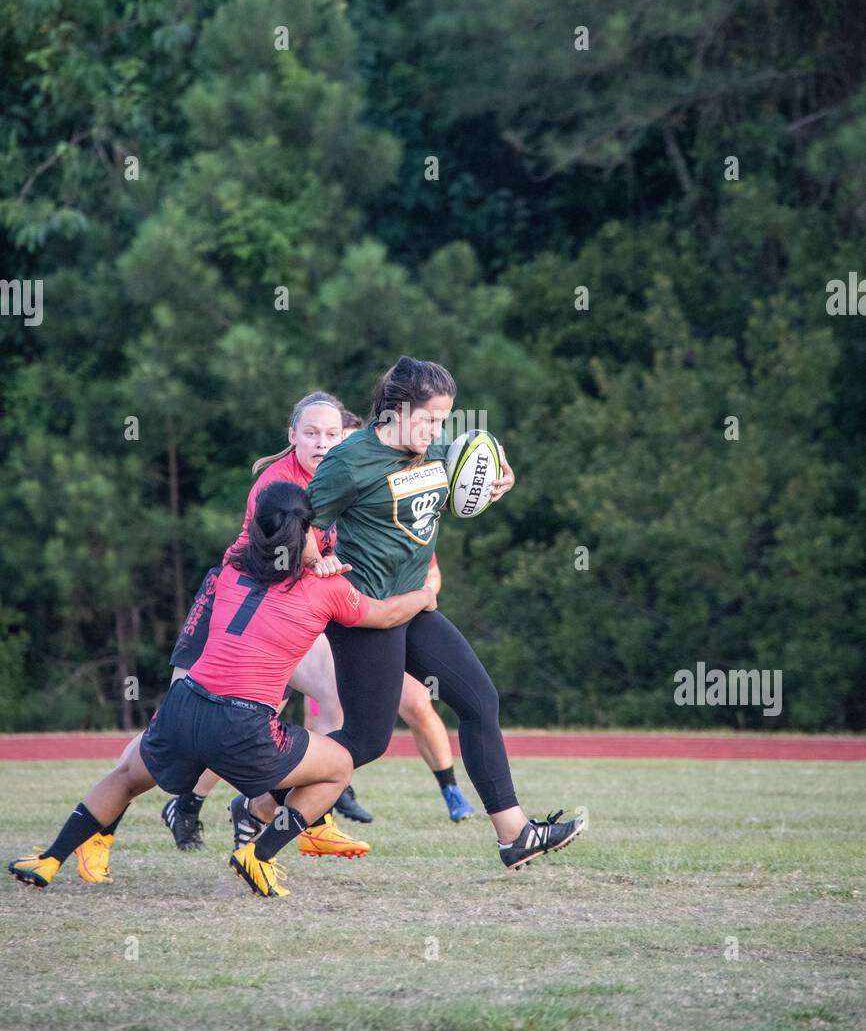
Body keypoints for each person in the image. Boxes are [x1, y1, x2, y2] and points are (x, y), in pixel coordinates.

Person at [232, 356, 585, 872]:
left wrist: (494, 485)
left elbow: (457, 484)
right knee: (365, 743)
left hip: (411, 605)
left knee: (479, 700)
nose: (438, 431)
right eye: (428, 420)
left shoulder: (434, 450)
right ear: (395, 410)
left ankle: (515, 836)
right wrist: (316, 556)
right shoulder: (350, 460)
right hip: (366, 612)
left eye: (444, 420)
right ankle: (260, 807)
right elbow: (296, 521)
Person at [8, 482, 436, 898]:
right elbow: (383, 616)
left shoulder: (232, 565)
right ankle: (259, 854)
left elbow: (266, 551)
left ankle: (49, 859)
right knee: (340, 765)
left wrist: (307, 552)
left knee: (126, 777)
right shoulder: (326, 589)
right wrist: (423, 594)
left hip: (186, 705)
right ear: (305, 531)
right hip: (242, 724)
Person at [305, 409, 474, 827]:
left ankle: (453, 791)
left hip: (388, 611)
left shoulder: (406, 485)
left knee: (417, 704)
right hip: (327, 613)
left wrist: (494, 479)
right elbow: (292, 532)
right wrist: (316, 559)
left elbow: (430, 569)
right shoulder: (334, 478)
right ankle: (292, 794)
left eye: (334, 435)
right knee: (334, 713)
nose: (326, 444)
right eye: (316, 434)